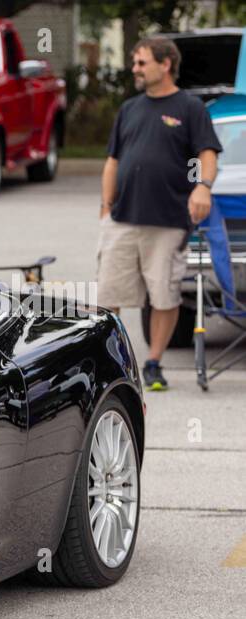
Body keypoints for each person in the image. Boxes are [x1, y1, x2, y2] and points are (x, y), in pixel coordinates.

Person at [99, 36, 222, 392]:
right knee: (108, 296)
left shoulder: (190, 108)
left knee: (164, 296)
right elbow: (113, 161)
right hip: (121, 219)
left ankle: (153, 362)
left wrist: (202, 186)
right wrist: (106, 206)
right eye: (135, 63)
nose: (135, 69)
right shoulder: (129, 108)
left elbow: (207, 154)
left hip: (168, 222)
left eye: (141, 62)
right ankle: (113, 363)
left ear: (165, 64)